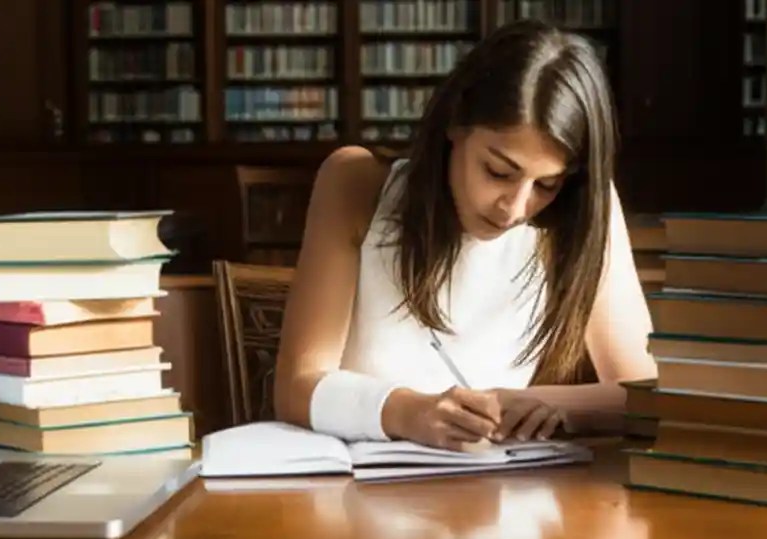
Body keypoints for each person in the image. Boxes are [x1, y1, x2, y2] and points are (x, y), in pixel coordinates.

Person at [273, 19, 656, 452]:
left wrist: (536, 403)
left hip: (493, 493)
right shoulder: (356, 184)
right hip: (356, 492)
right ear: (456, 122)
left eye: (546, 185)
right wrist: (409, 412)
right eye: (498, 171)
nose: (515, 208)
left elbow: (644, 392)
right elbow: (297, 388)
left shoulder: (582, 212)